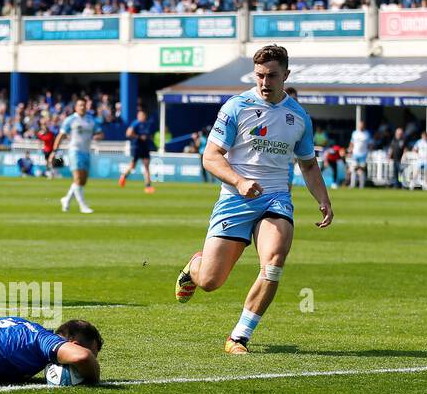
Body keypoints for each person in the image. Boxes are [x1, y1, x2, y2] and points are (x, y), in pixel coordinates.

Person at [173, 44, 334, 355]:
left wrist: (323, 199)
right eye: (260, 75)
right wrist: (239, 180)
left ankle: (239, 337)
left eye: (272, 76)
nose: (264, 82)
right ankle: (195, 266)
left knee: (273, 263)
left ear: (285, 75)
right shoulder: (236, 107)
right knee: (210, 281)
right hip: (235, 197)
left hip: (275, 198)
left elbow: (308, 164)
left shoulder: (298, 117)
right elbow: (211, 157)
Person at [51, 97, 100, 213]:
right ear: (76, 107)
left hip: (86, 152)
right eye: (80, 105)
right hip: (74, 151)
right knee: (77, 178)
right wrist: (54, 151)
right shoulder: (70, 120)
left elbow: (99, 132)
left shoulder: (91, 120)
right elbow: (61, 135)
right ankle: (82, 206)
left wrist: (98, 136)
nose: (82, 107)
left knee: (82, 181)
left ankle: (66, 199)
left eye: (84, 105)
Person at [119, 108, 155, 193]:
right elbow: (128, 133)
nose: (142, 117)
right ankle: (123, 176)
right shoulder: (136, 123)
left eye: (143, 115)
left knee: (146, 166)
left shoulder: (147, 124)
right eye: (140, 115)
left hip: (145, 147)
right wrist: (138, 137)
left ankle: (148, 186)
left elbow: (147, 135)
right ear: (138, 116)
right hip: (137, 147)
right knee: (132, 166)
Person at [348, 120, 371, 188]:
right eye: (359, 125)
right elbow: (352, 143)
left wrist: (369, 152)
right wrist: (350, 151)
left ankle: (361, 185)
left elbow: (370, 144)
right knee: (353, 169)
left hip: (363, 154)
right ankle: (352, 185)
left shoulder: (367, 134)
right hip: (355, 154)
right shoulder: (355, 133)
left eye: (362, 125)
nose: (361, 126)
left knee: (361, 170)